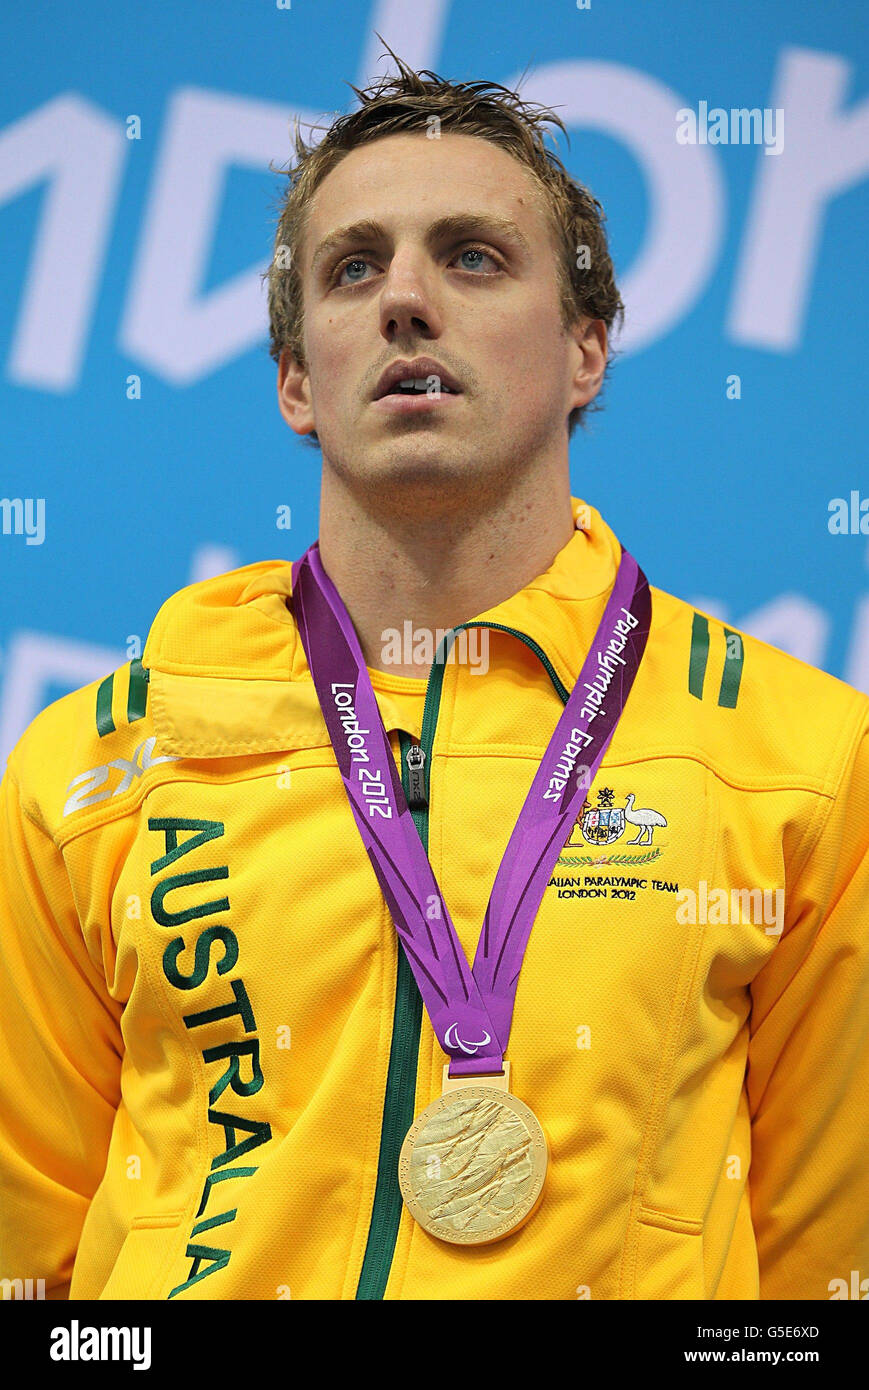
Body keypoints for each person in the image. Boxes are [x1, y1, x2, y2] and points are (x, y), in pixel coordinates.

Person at [0, 50, 866, 1304]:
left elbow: (823, 1267)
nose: (405, 300)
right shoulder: (94, 763)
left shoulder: (798, 756)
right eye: (353, 269)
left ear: (585, 352)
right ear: (298, 381)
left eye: (471, 256)